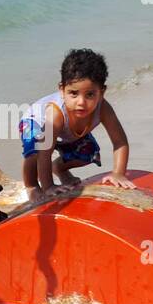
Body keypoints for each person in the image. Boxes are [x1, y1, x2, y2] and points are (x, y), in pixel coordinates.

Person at [18, 49, 133, 199]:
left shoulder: (103, 108)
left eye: (90, 95)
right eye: (73, 93)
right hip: (35, 123)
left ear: (102, 92)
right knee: (36, 148)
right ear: (62, 90)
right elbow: (44, 151)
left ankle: (59, 168)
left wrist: (118, 173)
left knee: (89, 152)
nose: (81, 103)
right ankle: (31, 185)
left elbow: (120, 142)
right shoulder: (55, 113)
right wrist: (49, 187)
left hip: (66, 132)